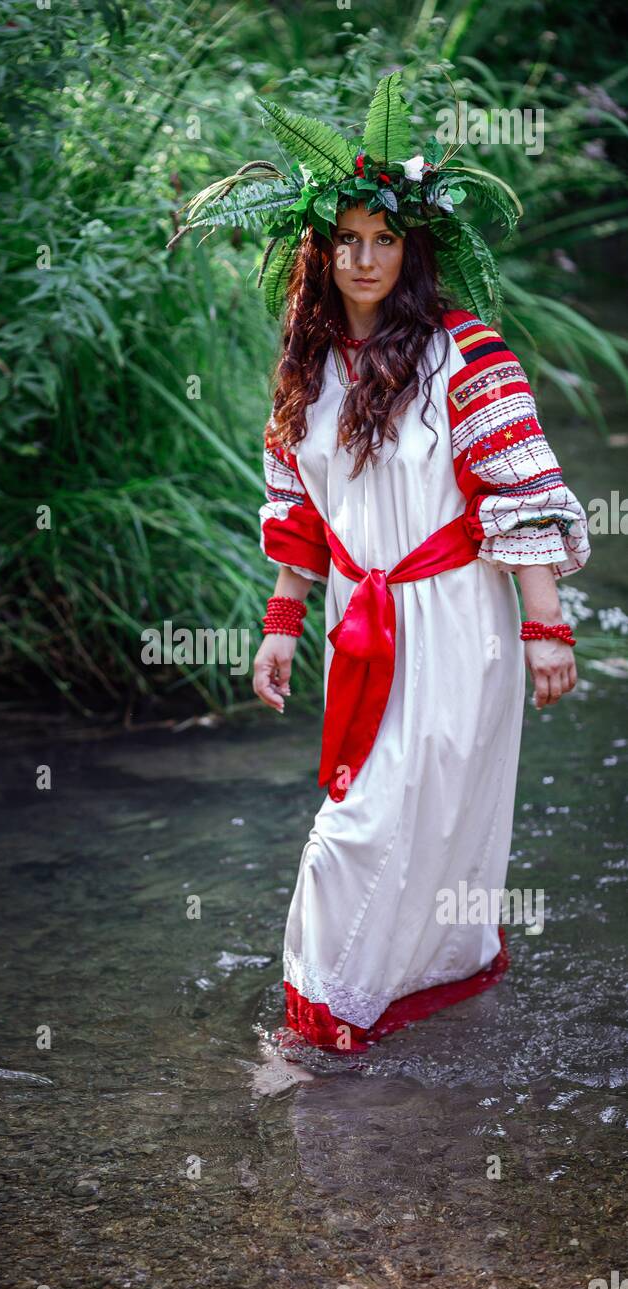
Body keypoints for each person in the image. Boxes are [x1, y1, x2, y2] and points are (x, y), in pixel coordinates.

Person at [172, 70, 591, 1052]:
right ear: (320, 251)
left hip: (455, 621)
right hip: (358, 621)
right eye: (346, 239)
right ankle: (354, 1019)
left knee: (393, 829)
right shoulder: (304, 365)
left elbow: (520, 499)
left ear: (412, 249)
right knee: (372, 820)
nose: (363, 258)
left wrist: (544, 629)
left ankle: (336, 1027)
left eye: (383, 238)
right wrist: (280, 625)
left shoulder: (467, 356)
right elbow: (298, 512)